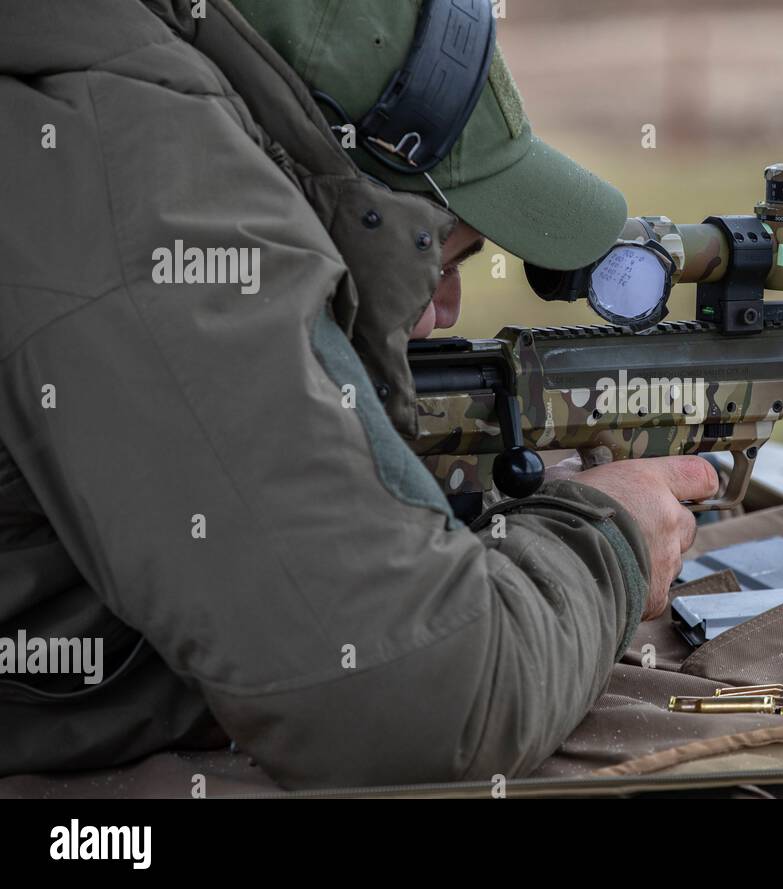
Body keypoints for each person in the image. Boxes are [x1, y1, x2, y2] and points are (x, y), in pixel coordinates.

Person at [0, 0, 715, 787]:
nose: (445, 312)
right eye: (438, 258)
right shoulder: (144, 174)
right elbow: (423, 703)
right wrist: (605, 541)